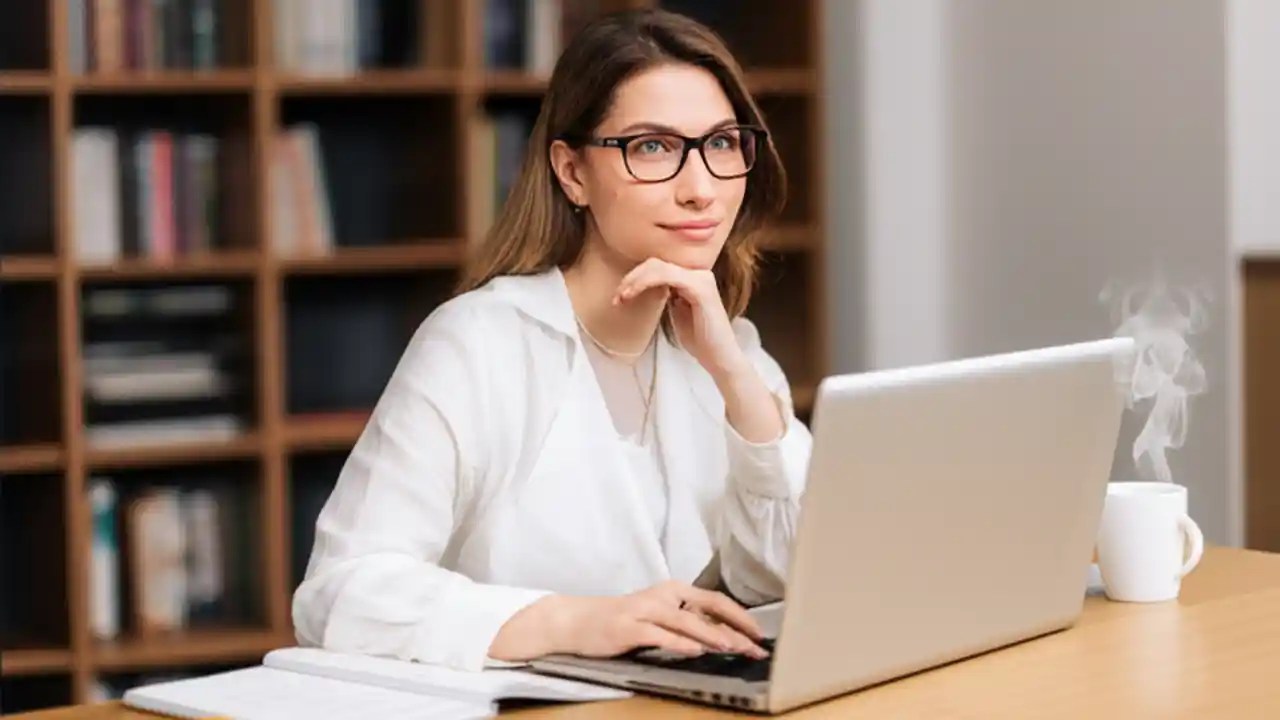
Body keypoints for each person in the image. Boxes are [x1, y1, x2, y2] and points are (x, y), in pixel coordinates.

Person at [291, 8, 813, 674]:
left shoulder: (728, 347)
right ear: (571, 172)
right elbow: (340, 592)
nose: (701, 188)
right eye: (652, 147)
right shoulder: (479, 343)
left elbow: (793, 580)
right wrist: (573, 620)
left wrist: (735, 378)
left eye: (721, 144)